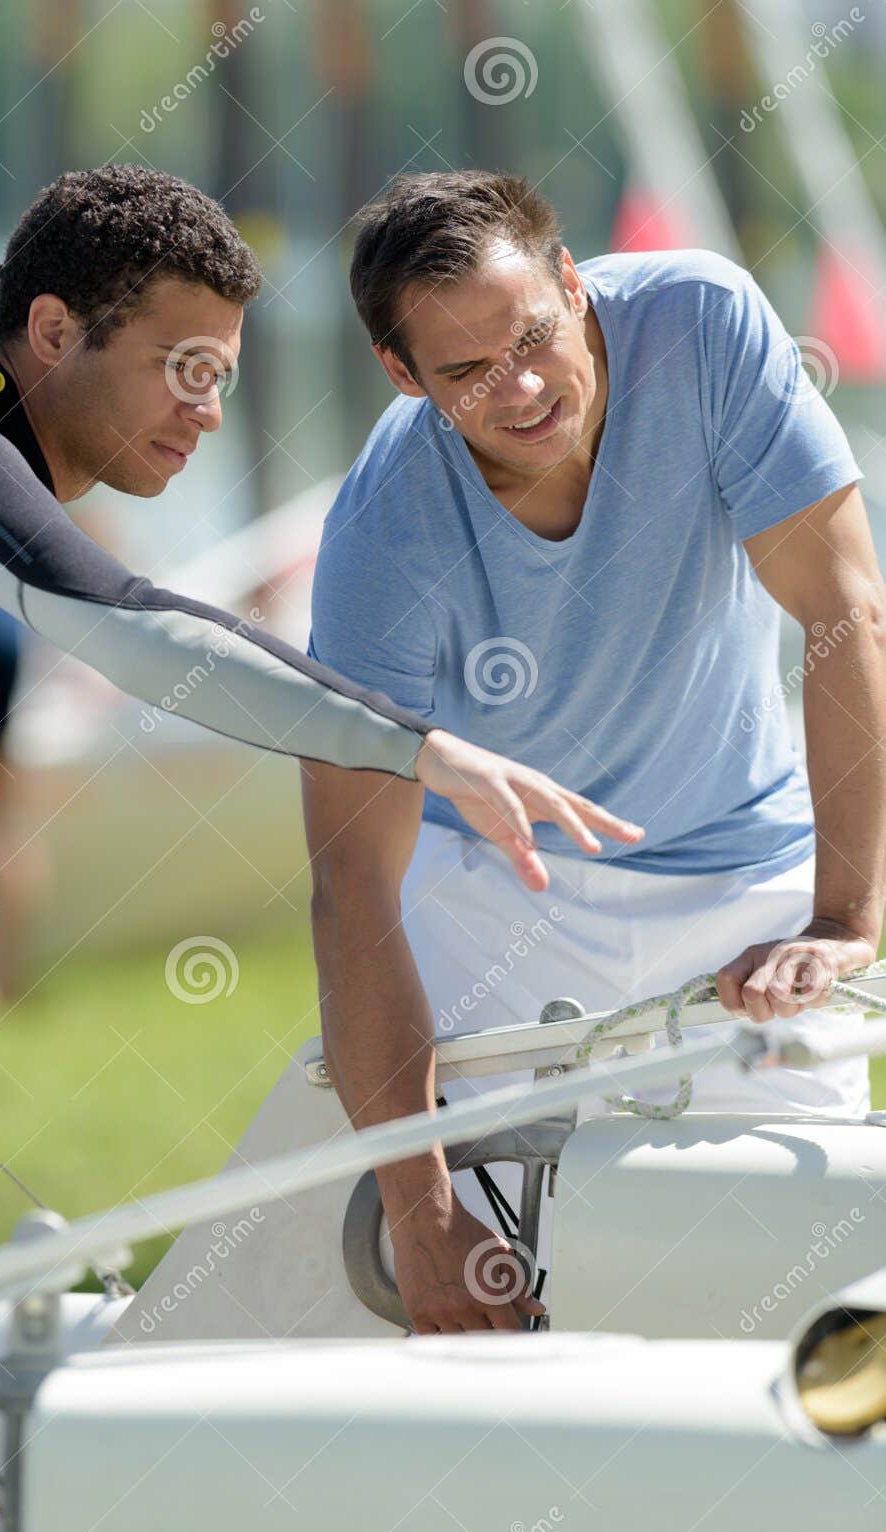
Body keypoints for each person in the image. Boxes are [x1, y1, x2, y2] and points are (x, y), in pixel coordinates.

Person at [0, 165, 641, 1312]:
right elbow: (135, 629)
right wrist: (422, 747)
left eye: (225, 376)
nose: (208, 410)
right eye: (182, 368)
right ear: (54, 332)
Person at [303, 170, 886, 1336]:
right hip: (496, 900)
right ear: (404, 376)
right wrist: (418, 1218)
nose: (521, 390)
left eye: (533, 336)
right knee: (486, 1318)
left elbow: (846, 614)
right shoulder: (383, 528)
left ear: (574, 285)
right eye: (466, 372)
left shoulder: (702, 327)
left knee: (815, 1289)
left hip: (744, 868)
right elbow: (353, 878)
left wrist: (844, 918)